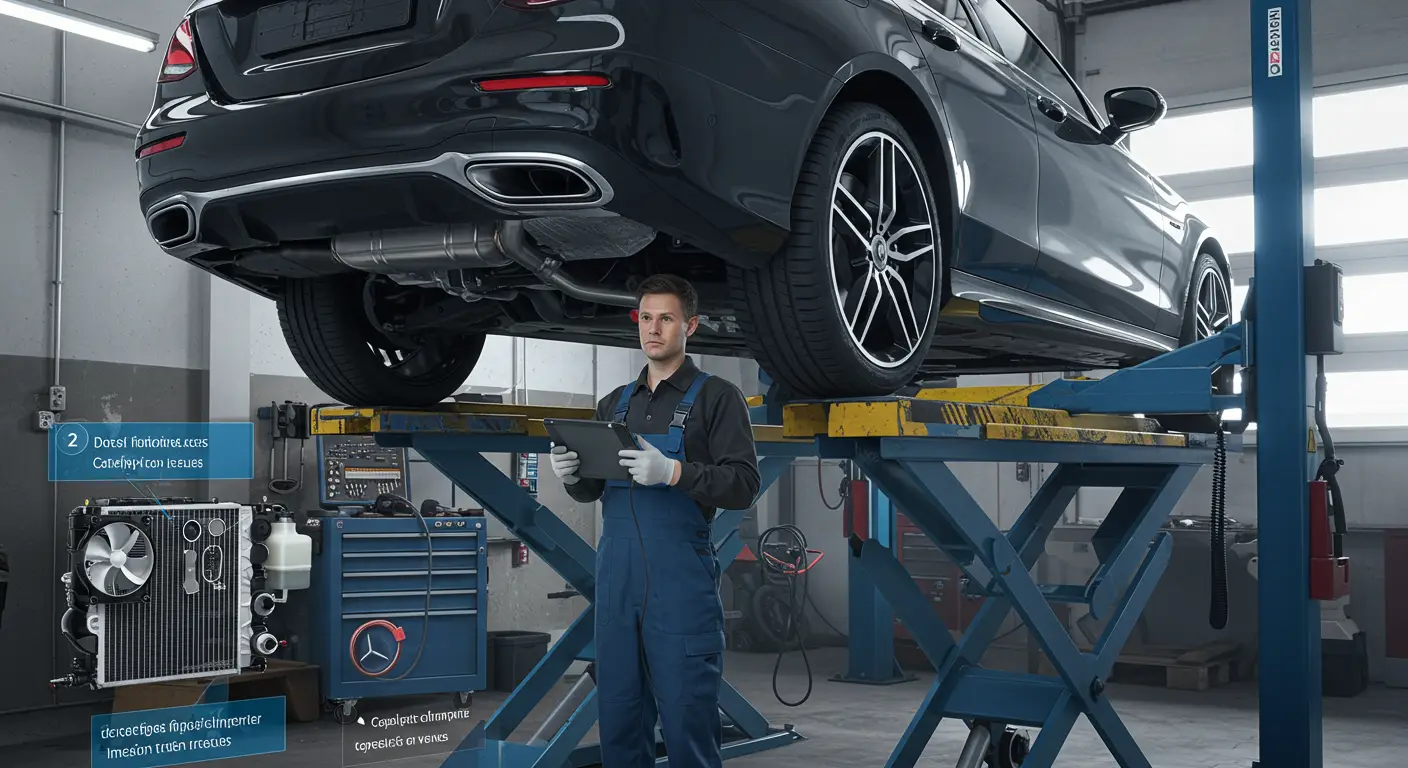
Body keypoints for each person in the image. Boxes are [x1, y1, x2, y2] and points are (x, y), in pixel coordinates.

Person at [549, 273, 761, 768]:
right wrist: (571, 475)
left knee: (688, 721)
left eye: (665, 318)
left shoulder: (717, 397)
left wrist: (674, 472)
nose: (653, 329)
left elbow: (744, 484)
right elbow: (592, 491)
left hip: (679, 582)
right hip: (617, 580)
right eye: (646, 318)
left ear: (690, 325)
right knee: (620, 720)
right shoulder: (614, 404)